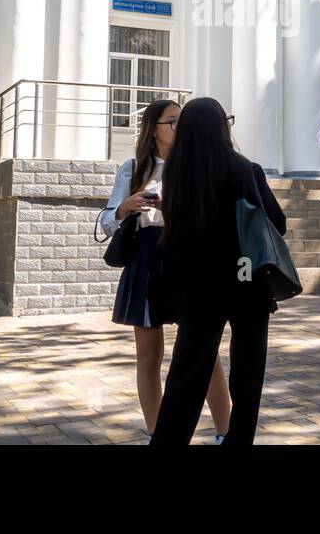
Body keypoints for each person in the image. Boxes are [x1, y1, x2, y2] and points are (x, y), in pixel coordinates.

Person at [150, 97, 286, 446]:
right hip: (247, 284)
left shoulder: (177, 173)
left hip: (198, 287)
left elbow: (176, 233)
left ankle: (168, 440)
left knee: (187, 372)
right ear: (222, 128)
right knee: (247, 374)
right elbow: (278, 224)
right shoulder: (246, 169)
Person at [100, 99, 230, 441]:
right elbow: (106, 221)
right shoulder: (133, 168)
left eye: (181, 121)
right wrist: (126, 207)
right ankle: (158, 434)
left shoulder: (197, 165)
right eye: (172, 122)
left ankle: (225, 432)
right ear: (153, 128)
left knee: (205, 352)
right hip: (145, 259)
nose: (179, 127)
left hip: (187, 258)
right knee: (148, 355)